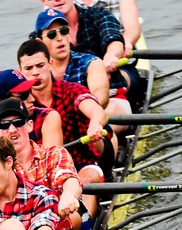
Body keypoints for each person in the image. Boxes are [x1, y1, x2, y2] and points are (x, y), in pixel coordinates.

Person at [16, 39, 112, 215]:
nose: (35, 73)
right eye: (29, 69)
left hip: (82, 165)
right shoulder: (21, 107)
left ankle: (85, 227)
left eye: (40, 65)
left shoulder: (72, 90)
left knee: (85, 181)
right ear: (20, 71)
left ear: (50, 64)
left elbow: (96, 109)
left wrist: (94, 123)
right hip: (43, 176)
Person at [0, 95, 83, 230]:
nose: (12, 130)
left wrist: (68, 196)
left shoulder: (53, 154)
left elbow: (69, 179)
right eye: (5, 125)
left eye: (18, 123)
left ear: (29, 126)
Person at [34, 8, 133, 130]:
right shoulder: (36, 73)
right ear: (40, 42)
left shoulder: (90, 62)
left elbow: (100, 95)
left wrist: (79, 114)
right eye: (52, 34)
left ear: (69, 35)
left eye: (64, 31)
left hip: (100, 115)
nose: (59, 38)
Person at [0, 68, 63, 148]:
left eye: (30, 91)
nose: (33, 99)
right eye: (24, 95)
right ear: (2, 102)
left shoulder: (48, 117)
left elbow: (53, 158)